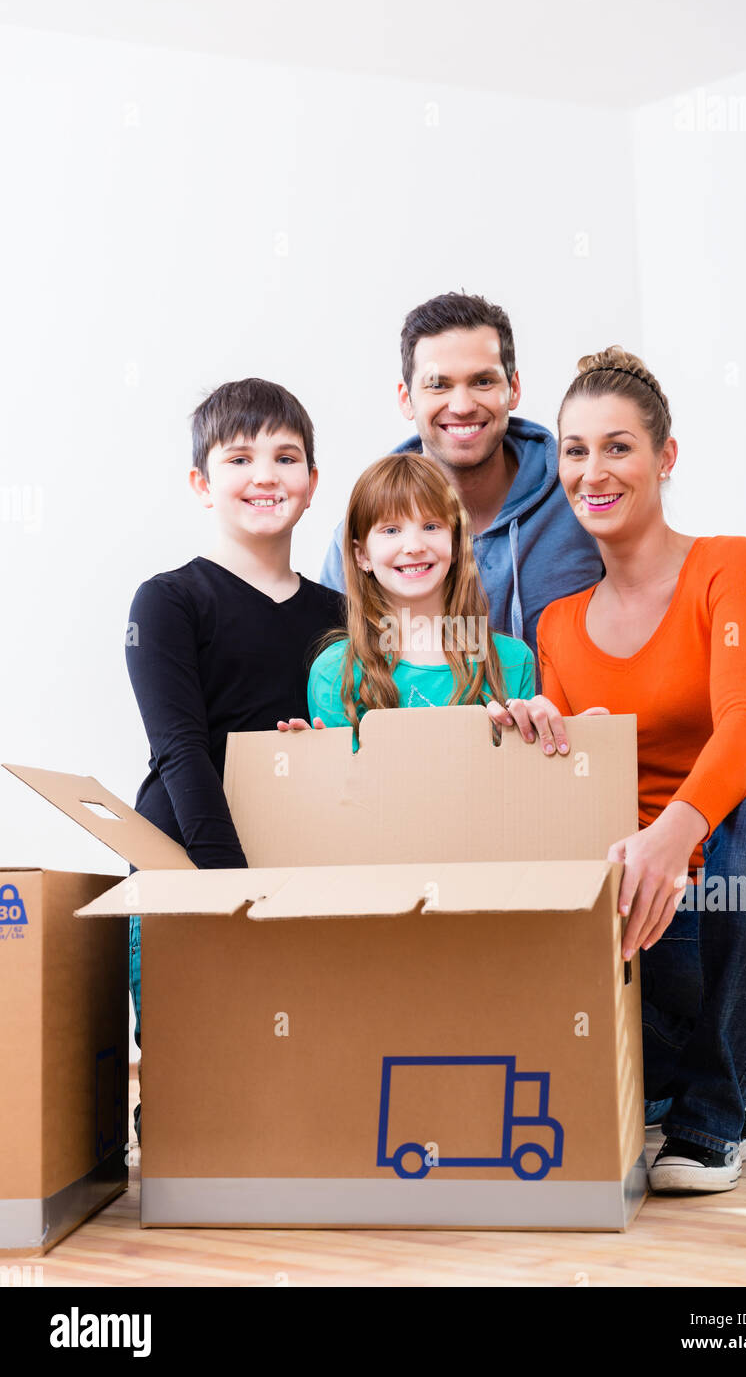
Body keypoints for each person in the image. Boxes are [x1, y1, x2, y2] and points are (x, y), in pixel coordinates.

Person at [493, 345, 746, 1194]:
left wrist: (670, 835)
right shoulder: (556, 625)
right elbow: (577, 782)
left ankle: (710, 1117)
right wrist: (530, 728)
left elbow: (745, 725)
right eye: (577, 450)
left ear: (665, 457)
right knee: (539, 937)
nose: (594, 469)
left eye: (619, 446)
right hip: (674, 928)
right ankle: (674, 1078)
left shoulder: (728, 566)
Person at [125, 377, 344, 1139]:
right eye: (240, 456)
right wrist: (230, 892)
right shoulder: (168, 601)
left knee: (300, 1099)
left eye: (287, 458)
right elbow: (180, 748)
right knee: (198, 1105)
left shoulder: (339, 617)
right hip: (185, 861)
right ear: (201, 481)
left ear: (312, 485)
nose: (265, 476)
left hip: (304, 864)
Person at [319, 291, 602, 667]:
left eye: (483, 381)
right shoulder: (364, 537)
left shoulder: (582, 503)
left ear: (513, 389)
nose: (463, 405)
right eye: (438, 385)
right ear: (406, 399)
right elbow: (334, 675)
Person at [280, 454, 535, 740]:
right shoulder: (334, 672)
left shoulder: (513, 661)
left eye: (431, 526)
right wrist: (317, 766)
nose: (414, 546)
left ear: (455, 542)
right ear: (362, 555)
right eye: (391, 530)